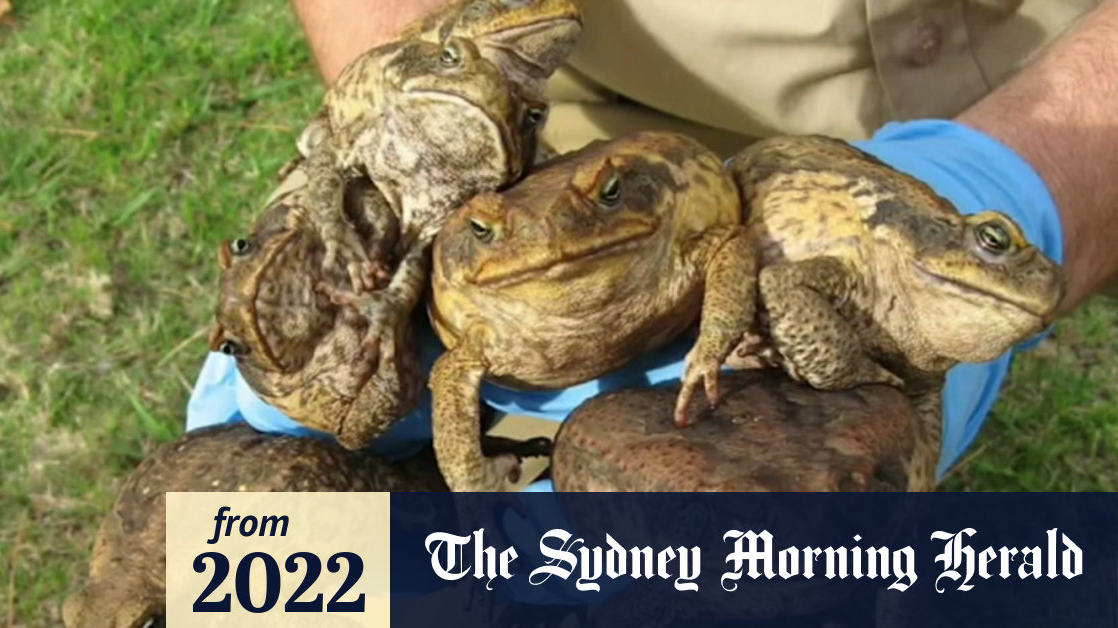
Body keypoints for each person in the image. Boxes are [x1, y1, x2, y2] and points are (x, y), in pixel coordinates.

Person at [187, 0, 1118, 490]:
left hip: (686, 197)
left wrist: (1041, 170)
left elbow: (728, 254)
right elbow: (450, 368)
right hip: (579, 149)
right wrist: (422, 138)